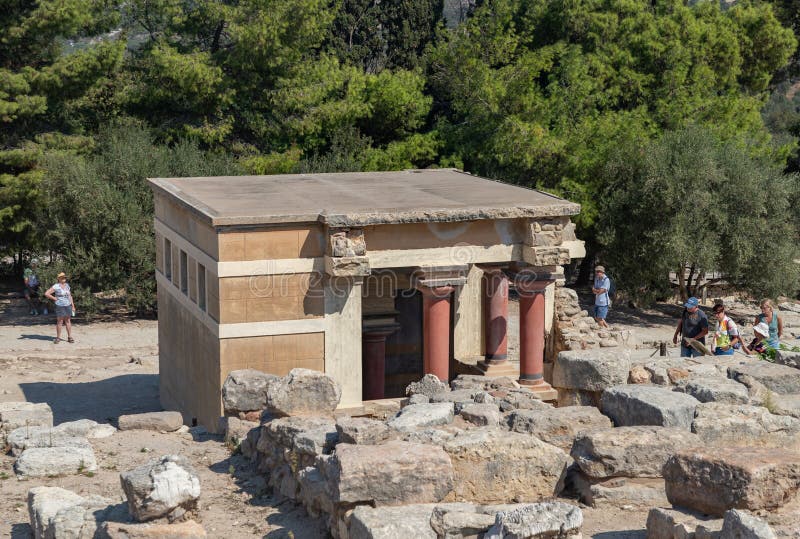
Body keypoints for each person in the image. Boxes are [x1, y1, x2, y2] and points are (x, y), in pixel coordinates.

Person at [44, 272, 75, 344]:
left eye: (65, 277)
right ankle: (58, 338)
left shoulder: (67, 285)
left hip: (68, 305)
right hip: (60, 306)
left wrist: (73, 306)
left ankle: (70, 337)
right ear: (59, 279)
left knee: (68, 321)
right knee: (60, 322)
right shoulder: (56, 286)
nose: (64, 278)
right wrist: (54, 298)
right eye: (62, 277)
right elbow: (46, 293)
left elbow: (70, 296)